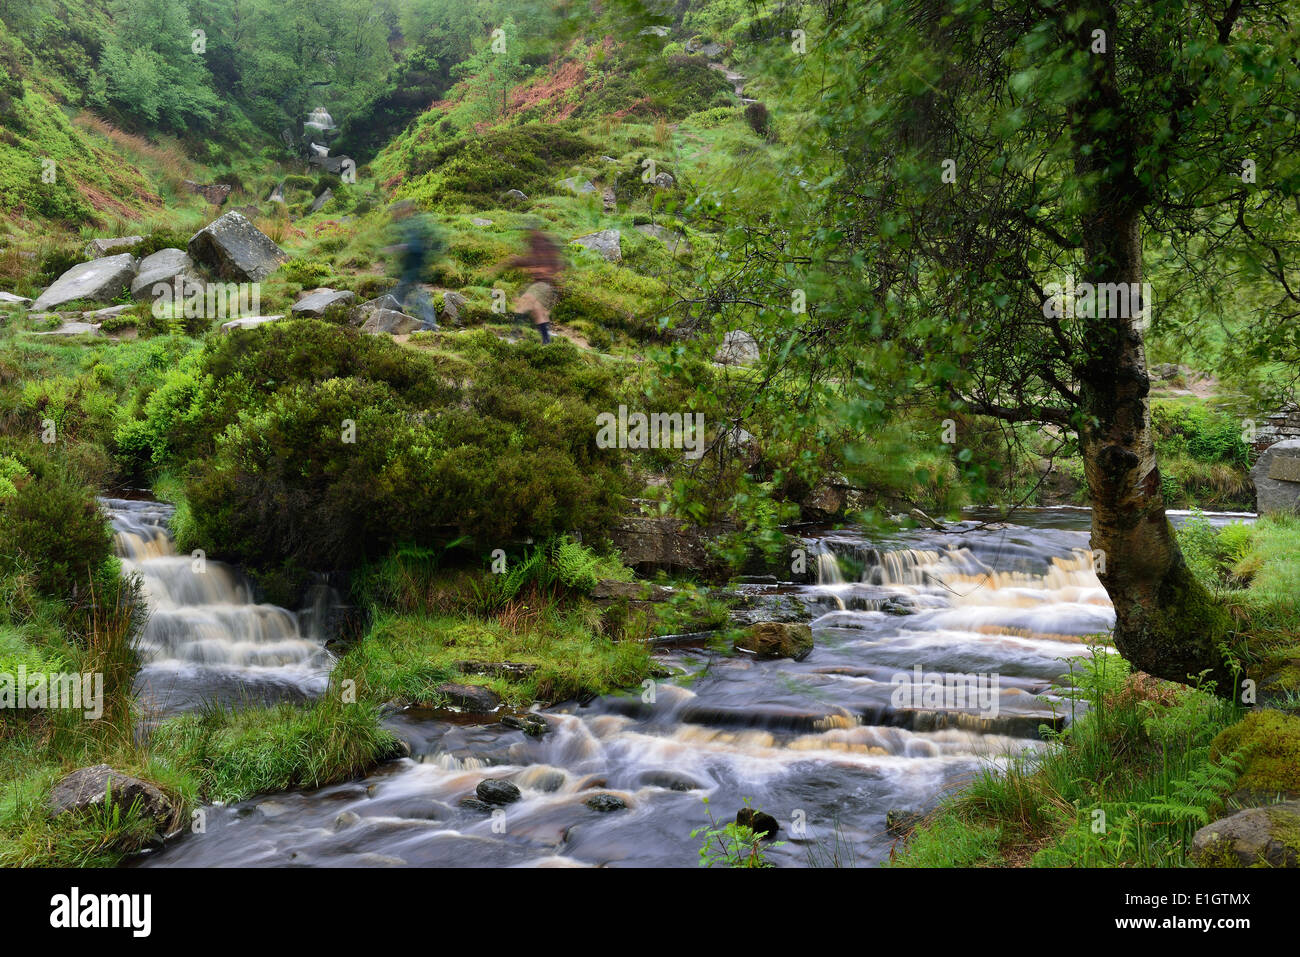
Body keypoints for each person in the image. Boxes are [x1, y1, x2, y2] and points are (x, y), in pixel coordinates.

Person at [495, 228, 565, 344]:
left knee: (524, 302)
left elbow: (554, 266)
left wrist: (543, 271)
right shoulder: (540, 251)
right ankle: (546, 341)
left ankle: (515, 334)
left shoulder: (542, 250)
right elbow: (525, 262)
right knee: (537, 311)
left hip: (543, 285)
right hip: (544, 286)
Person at [385, 200, 442, 329]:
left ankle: (429, 325)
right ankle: (392, 325)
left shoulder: (414, 224)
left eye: (397, 212)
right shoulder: (410, 223)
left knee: (412, 297)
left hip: (414, 268)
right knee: (404, 296)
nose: (396, 215)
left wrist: (396, 248)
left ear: (406, 210)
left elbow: (415, 246)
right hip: (412, 268)